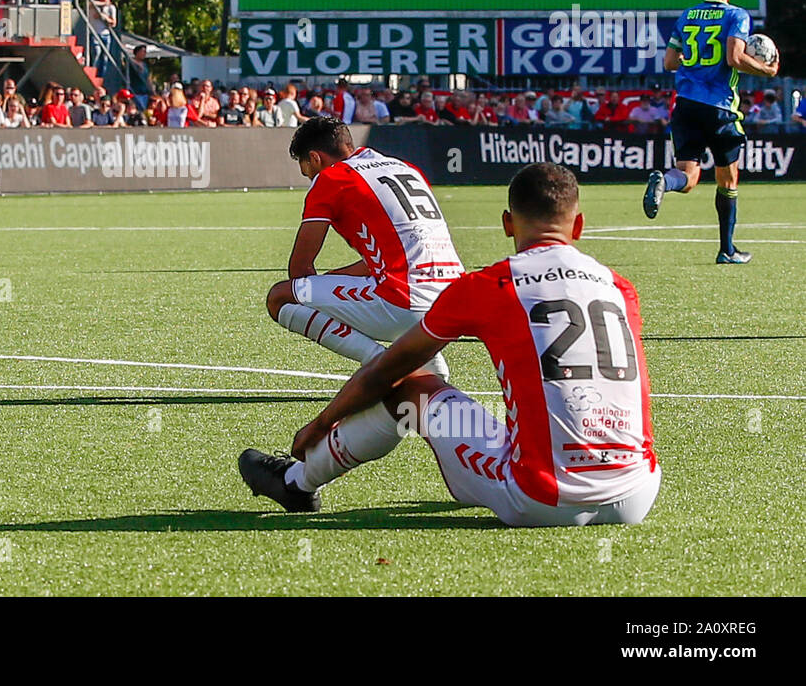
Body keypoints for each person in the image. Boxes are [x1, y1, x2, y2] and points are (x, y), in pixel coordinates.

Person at [240, 163, 659, 526]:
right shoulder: (621, 287)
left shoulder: (489, 285)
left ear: (507, 224)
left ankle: (296, 482)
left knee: (413, 387)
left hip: (542, 498)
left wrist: (319, 425)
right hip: (638, 492)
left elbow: (390, 372)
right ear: (579, 226)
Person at [263, 116, 462, 410]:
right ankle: (425, 366)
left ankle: (383, 366)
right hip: (455, 302)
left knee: (280, 297)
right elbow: (383, 259)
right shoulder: (404, 167)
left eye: (307, 171)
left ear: (315, 158)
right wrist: (333, 281)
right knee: (358, 288)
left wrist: (323, 289)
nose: (310, 178)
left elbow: (300, 272)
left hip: (408, 301)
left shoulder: (331, 178)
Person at [642, 0, 779, 263]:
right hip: (718, 107)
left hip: (686, 103)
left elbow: (669, 62)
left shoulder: (688, 15)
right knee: (727, 179)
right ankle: (727, 250)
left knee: (688, 178)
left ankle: (665, 181)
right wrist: (766, 70)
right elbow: (734, 57)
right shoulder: (737, 16)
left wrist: (698, 61)